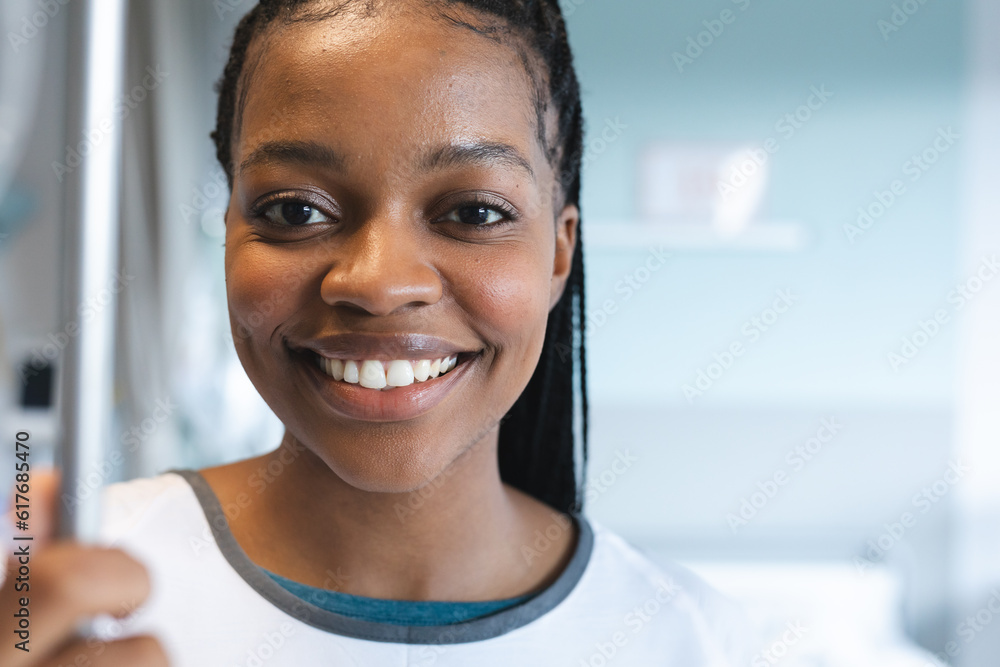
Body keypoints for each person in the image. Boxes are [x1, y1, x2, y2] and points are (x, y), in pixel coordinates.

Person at [1, 1, 753, 664]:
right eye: (295, 209)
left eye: (475, 212)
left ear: (559, 253)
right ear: (229, 232)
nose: (378, 283)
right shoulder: (43, 599)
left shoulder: (702, 642)